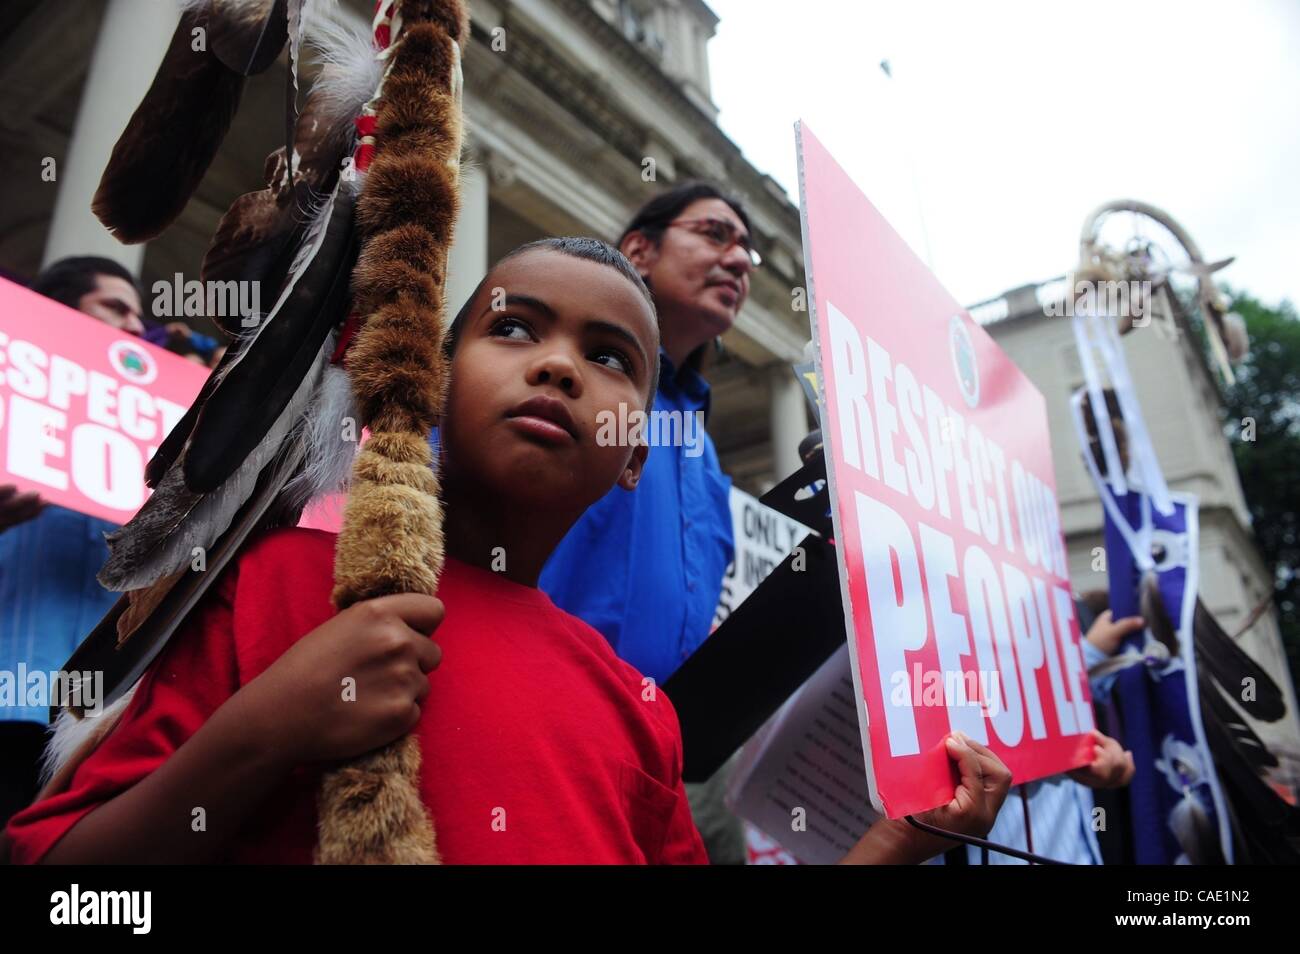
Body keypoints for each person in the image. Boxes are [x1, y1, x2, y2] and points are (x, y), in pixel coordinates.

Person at [5, 238, 1010, 864]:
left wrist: (894, 842)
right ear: (432, 387)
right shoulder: (274, 589)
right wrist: (258, 733)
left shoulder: (640, 715)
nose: (561, 366)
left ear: (634, 461)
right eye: (515, 328)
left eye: (613, 358)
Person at [540, 182, 757, 686]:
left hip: (654, 747)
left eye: (747, 250)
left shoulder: (704, 451)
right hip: (529, 720)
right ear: (640, 250)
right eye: (716, 234)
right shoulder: (560, 374)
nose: (741, 261)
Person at [0, 256, 145, 827]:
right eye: (115, 307)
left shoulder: (155, 434)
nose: (136, 327)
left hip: (102, 725)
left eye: (138, 313)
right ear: (58, 312)